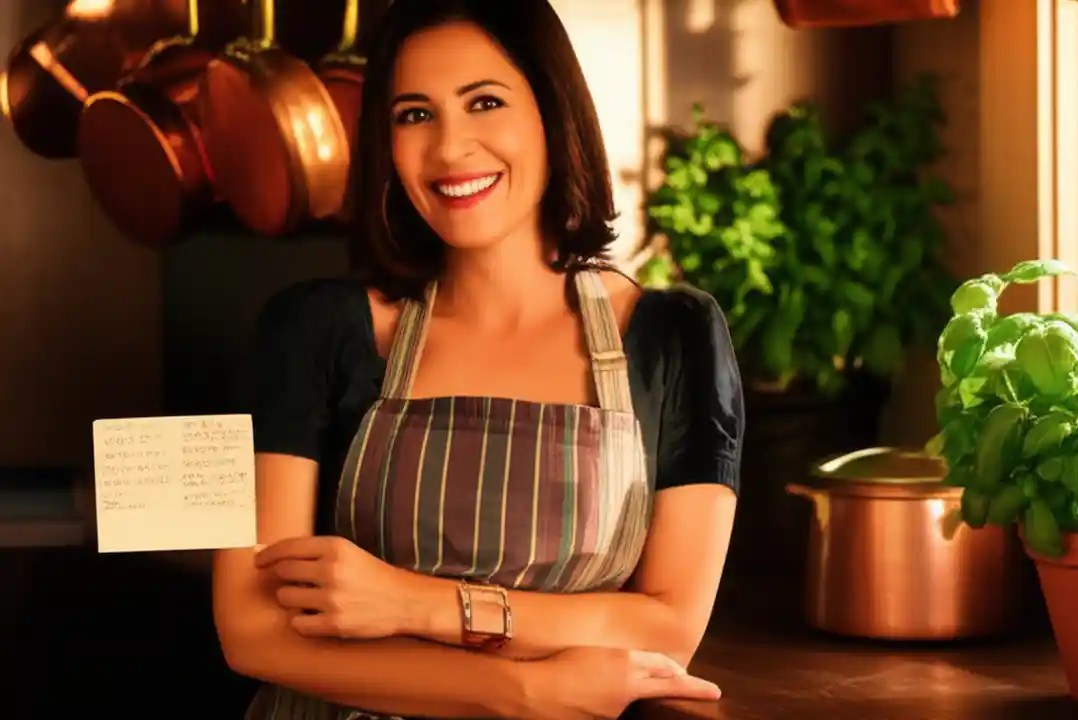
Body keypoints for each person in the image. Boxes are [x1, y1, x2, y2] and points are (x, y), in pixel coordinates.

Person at [210, 1, 744, 718]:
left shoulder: (674, 338)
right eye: (413, 114)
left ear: (553, 116)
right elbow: (254, 632)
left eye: (485, 102)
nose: (450, 149)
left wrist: (410, 604)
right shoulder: (313, 328)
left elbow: (666, 627)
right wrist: (521, 690)